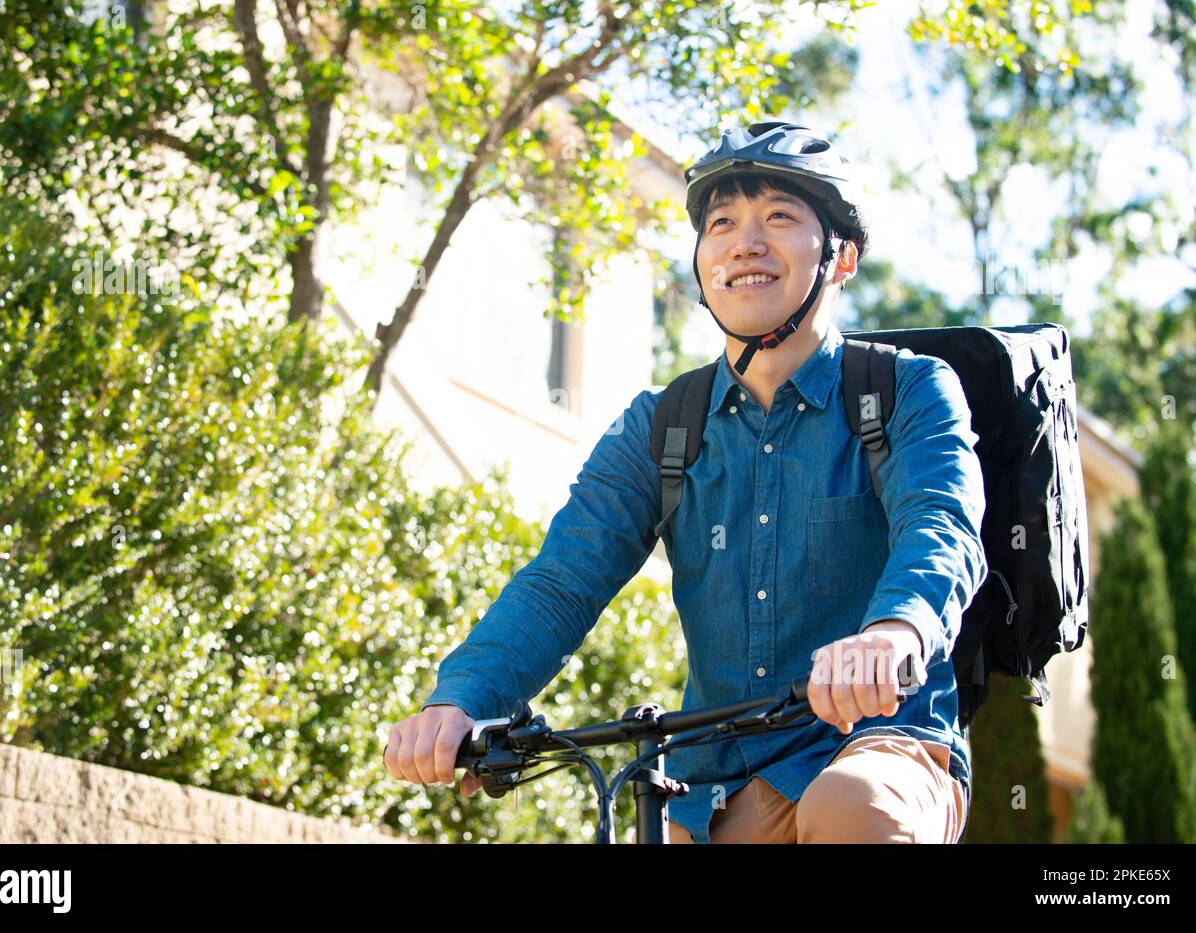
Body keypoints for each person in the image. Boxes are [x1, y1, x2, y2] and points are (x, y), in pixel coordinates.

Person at [383, 121, 987, 843]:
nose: (745, 242)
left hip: (882, 743)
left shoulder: (906, 391)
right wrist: (462, 699)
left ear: (842, 257)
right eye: (722, 222)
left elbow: (941, 523)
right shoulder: (662, 427)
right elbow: (563, 579)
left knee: (851, 805)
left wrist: (894, 631)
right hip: (715, 787)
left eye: (780, 218)